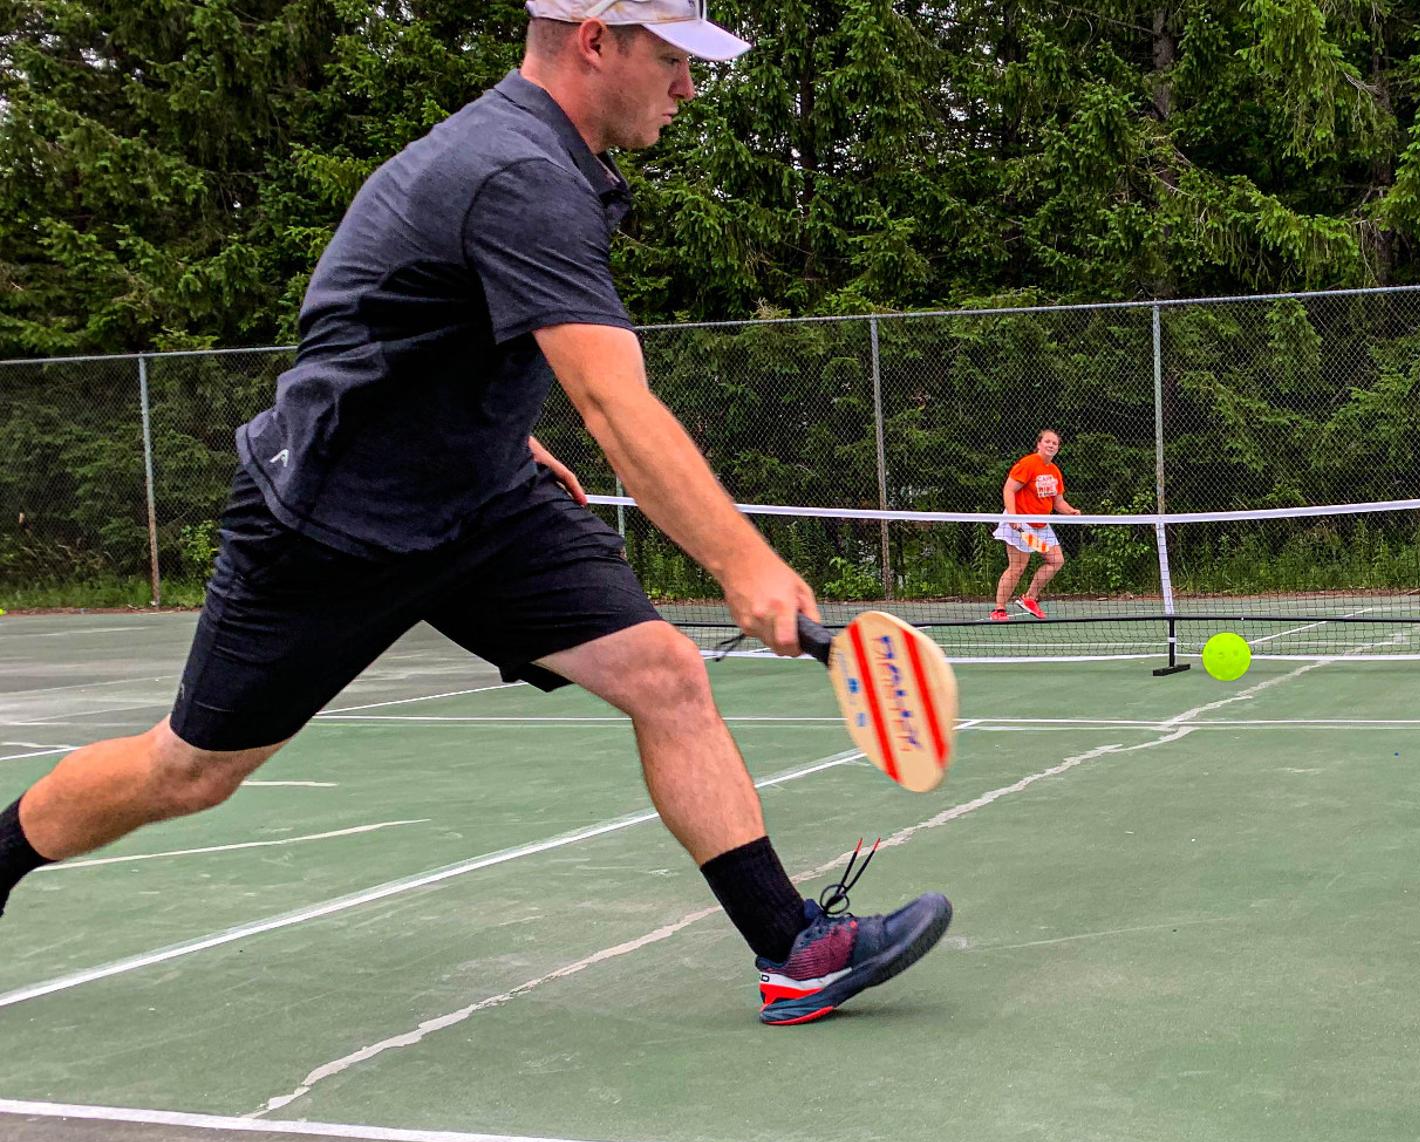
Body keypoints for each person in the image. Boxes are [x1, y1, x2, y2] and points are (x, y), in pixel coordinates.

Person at [0, 0, 949, 1027]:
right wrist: (745, 565)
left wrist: (484, 431)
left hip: (484, 500)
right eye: (673, 61)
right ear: (596, 40)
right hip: (332, 525)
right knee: (189, 772)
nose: (687, 87)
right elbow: (612, 400)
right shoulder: (517, 173)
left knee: (665, 674)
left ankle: (794, 950)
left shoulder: (537, 159)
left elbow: (395, 309)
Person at [989, 428, 1080, 621]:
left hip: (1041, 526)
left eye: (1054, 443)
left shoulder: (1054, 471)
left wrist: (1071, 510)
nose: (1051, 445)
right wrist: (1012, 517)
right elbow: (1009, 489)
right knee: (1018, 567)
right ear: (1039, 444)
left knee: (1056, 561)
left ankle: (1029, 598)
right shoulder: (1028, 463)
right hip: (1020, 521)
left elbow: (1058, 502)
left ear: (1058, 448)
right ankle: (999, 609)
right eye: (1047, 441)